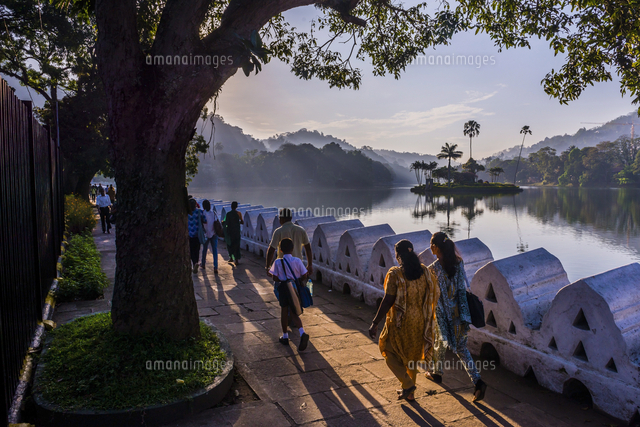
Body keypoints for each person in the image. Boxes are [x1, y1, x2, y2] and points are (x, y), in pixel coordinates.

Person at [368, 240, 440, 401]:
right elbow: (435, 293)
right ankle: (410, 393)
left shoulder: (396, 274)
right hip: (420, 320)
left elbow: (388, 300)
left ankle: (407, 385)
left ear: (398, 255)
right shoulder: (424, 272)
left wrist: (375, 322)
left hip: (401, 322)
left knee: (388, 350)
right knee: (412, 357)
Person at [425, 232, 487, 402]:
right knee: (459, 348)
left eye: (431, 244)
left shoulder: (433, 269)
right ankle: (477, 381)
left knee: (442, 341)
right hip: (461, 313)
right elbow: (464, 286)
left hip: (443, 315)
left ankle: (438, 373)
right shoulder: (459, 263)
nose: (430, 247)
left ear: (436, 247)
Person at [268, 238, 310, 351]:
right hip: (294, 288)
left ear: (280, 250)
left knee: (284, 310)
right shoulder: (297, 261)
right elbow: (305, 275)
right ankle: (302, 332)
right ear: (292, 249)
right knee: (294, 312)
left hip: (283, 289)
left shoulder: (277, 262)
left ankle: (285, 336)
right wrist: (297, 279)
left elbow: (274, 277)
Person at [265, 208, 313, 276]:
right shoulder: (301, 230)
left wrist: (268, 267)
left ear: (282, 218)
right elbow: (308, 248)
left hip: (282, 267)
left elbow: (271, 250)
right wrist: (310, 265)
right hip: (297, 266)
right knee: (297, 284)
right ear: (291, 217)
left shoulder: (279, 231)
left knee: (280, 285)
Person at [187, 198, 206, 273]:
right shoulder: (199, 211)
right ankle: (196, 263)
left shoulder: (187, 213)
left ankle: (194, 263)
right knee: (197, 249)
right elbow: (205, 220)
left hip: (190, 234)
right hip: (198, 234)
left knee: (191, 250)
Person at [201, 200, 219, 274]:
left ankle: (203, 264)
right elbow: (216, 222)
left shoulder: (203, 213)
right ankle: (215, 267)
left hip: (206, 234)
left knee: (204, 249)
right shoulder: (214, 213)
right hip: (214, 234)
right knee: (214, 250)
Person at [223, 201, 243, 265]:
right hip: (236, 232)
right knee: (236, 245)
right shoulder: (238, 213)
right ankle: (236, 260)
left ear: (231, 206)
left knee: (230, 245)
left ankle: (231, 258)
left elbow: (225, 222)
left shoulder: (228, 214)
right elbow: (242, 222)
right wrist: (237, 222)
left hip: (230, 232)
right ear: (236, 207)